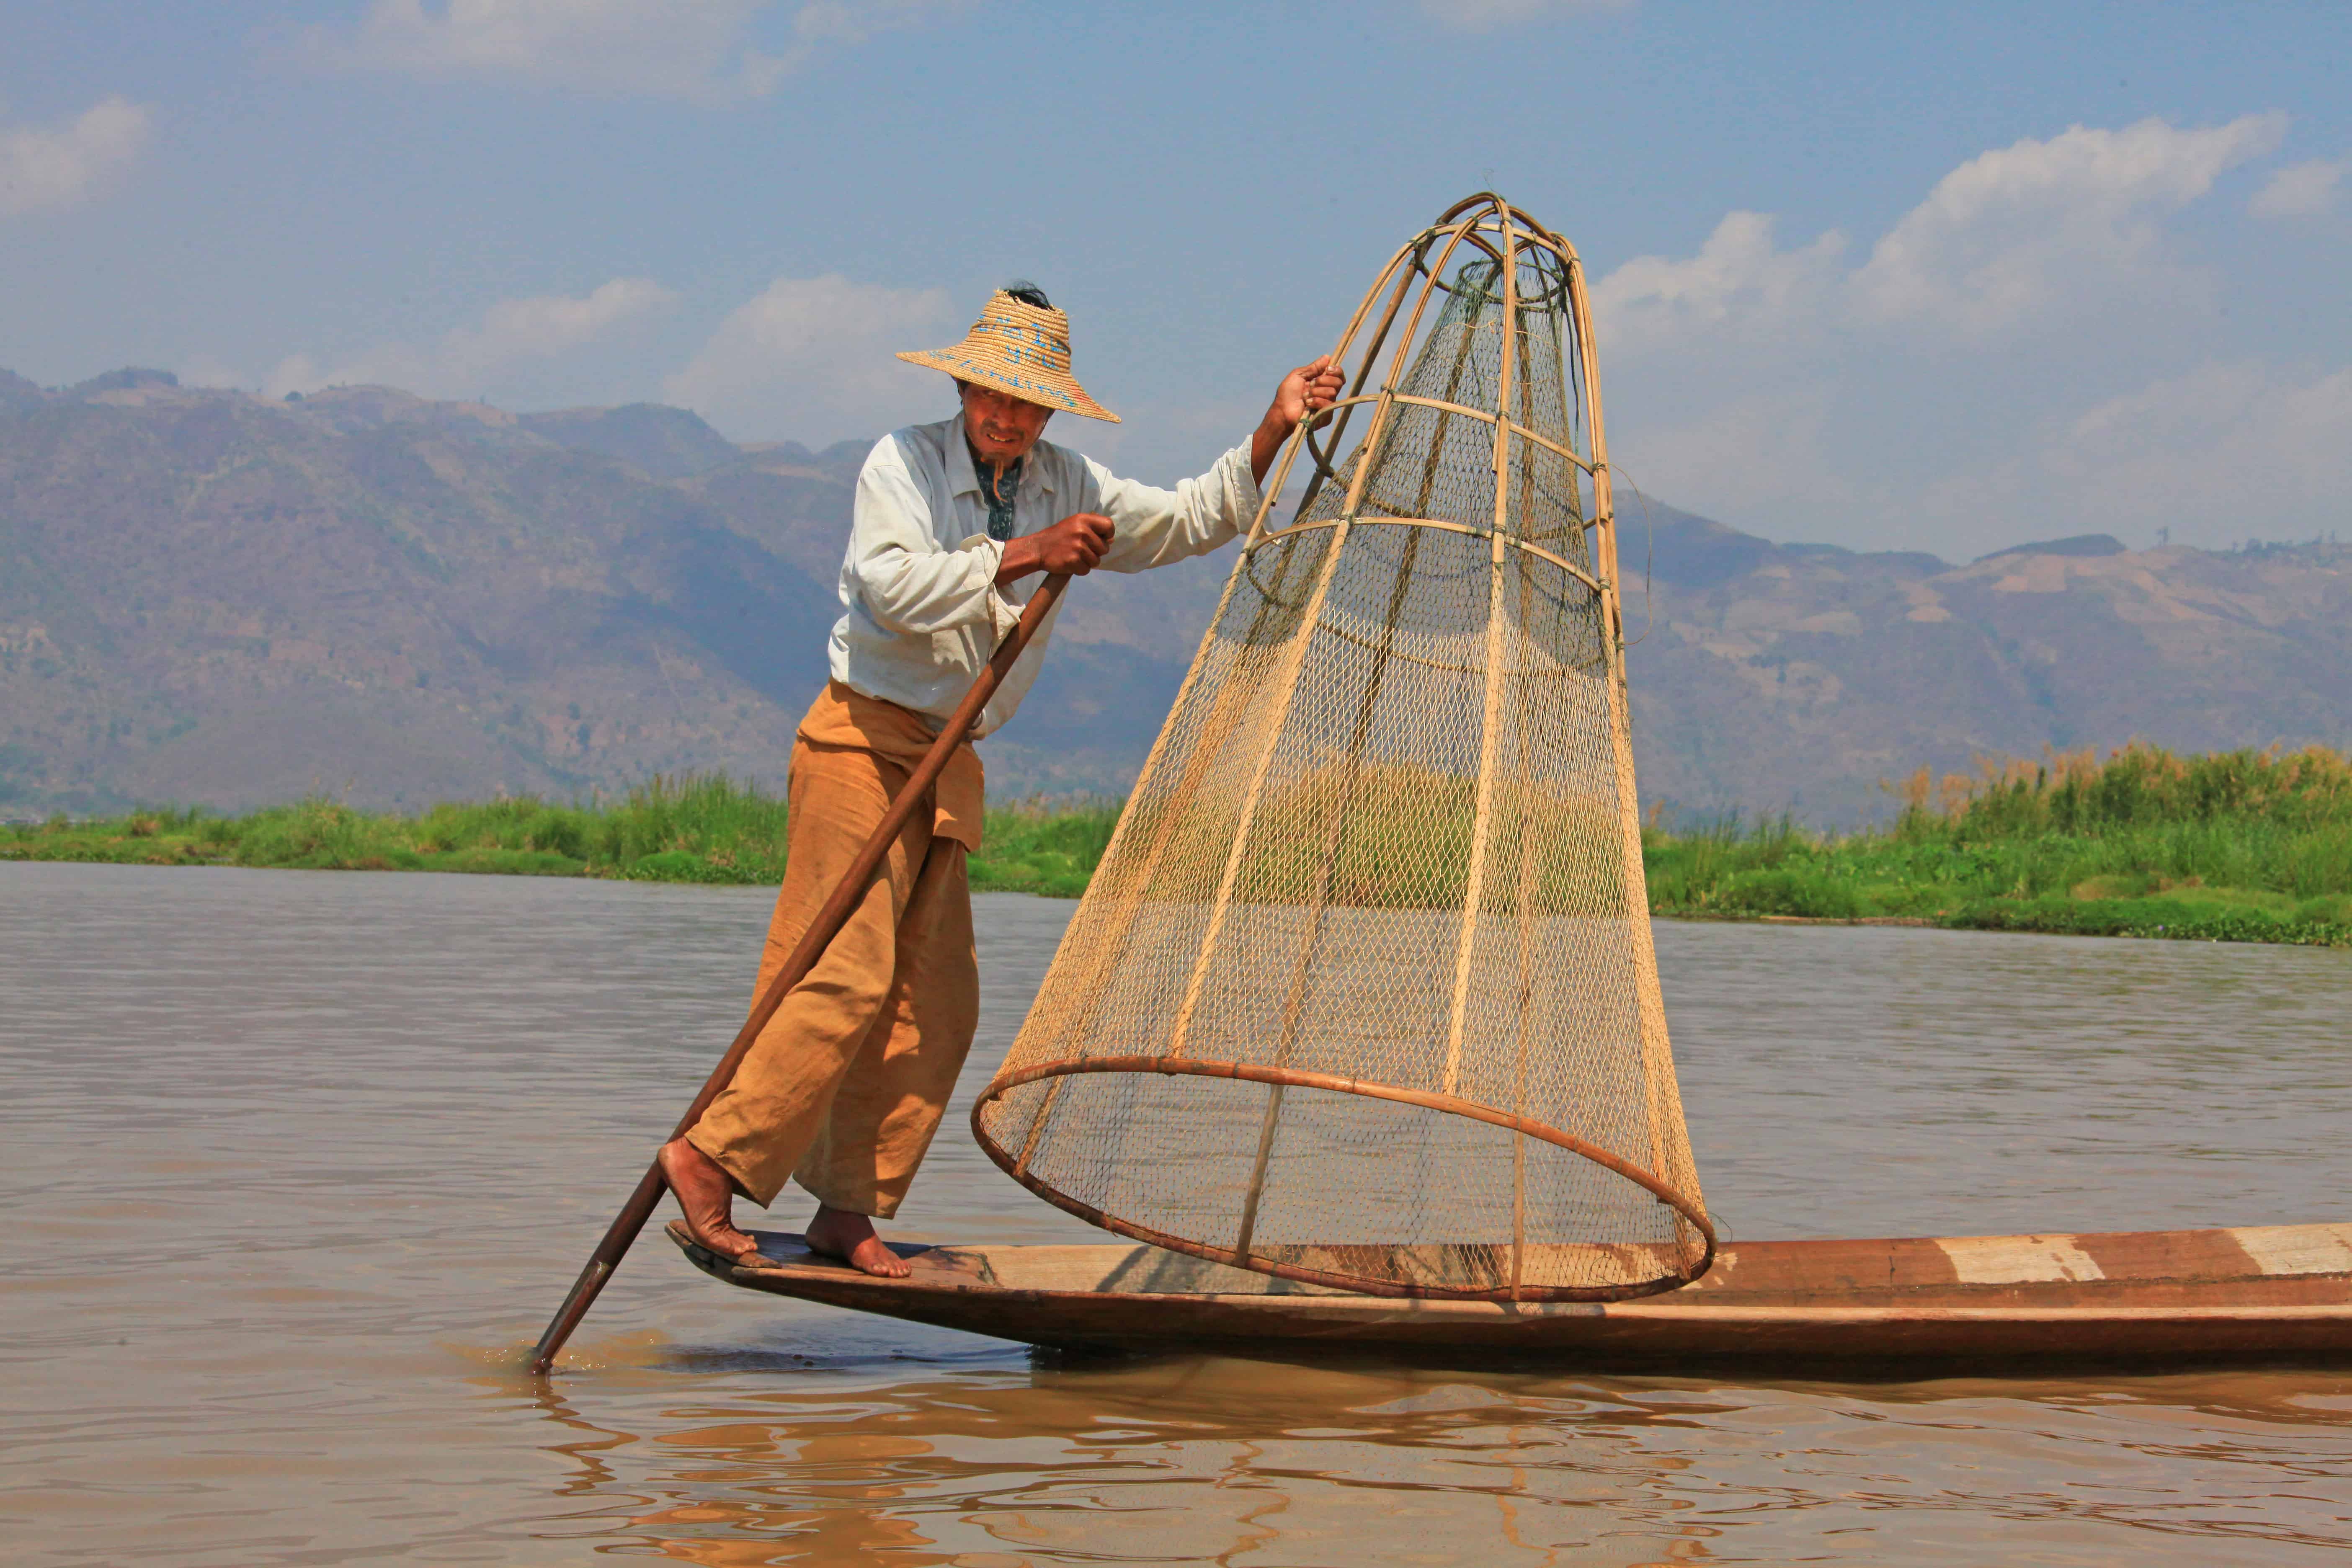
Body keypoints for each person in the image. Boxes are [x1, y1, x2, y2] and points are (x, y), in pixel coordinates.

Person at [659, 282, 1344, 1275]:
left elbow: (1195, 518)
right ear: (966, 387)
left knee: (936, 997)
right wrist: (1023, 554)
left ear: (1050, 409)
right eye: (991, 396)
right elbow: (889, 590)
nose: (1005, 417)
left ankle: (846, 1209)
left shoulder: (1070, 480)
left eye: (1025, 404)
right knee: (842, 972)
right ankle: (711, 1158)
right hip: (860, 738)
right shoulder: (902, 463)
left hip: (950, 758)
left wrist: (1272, 426)